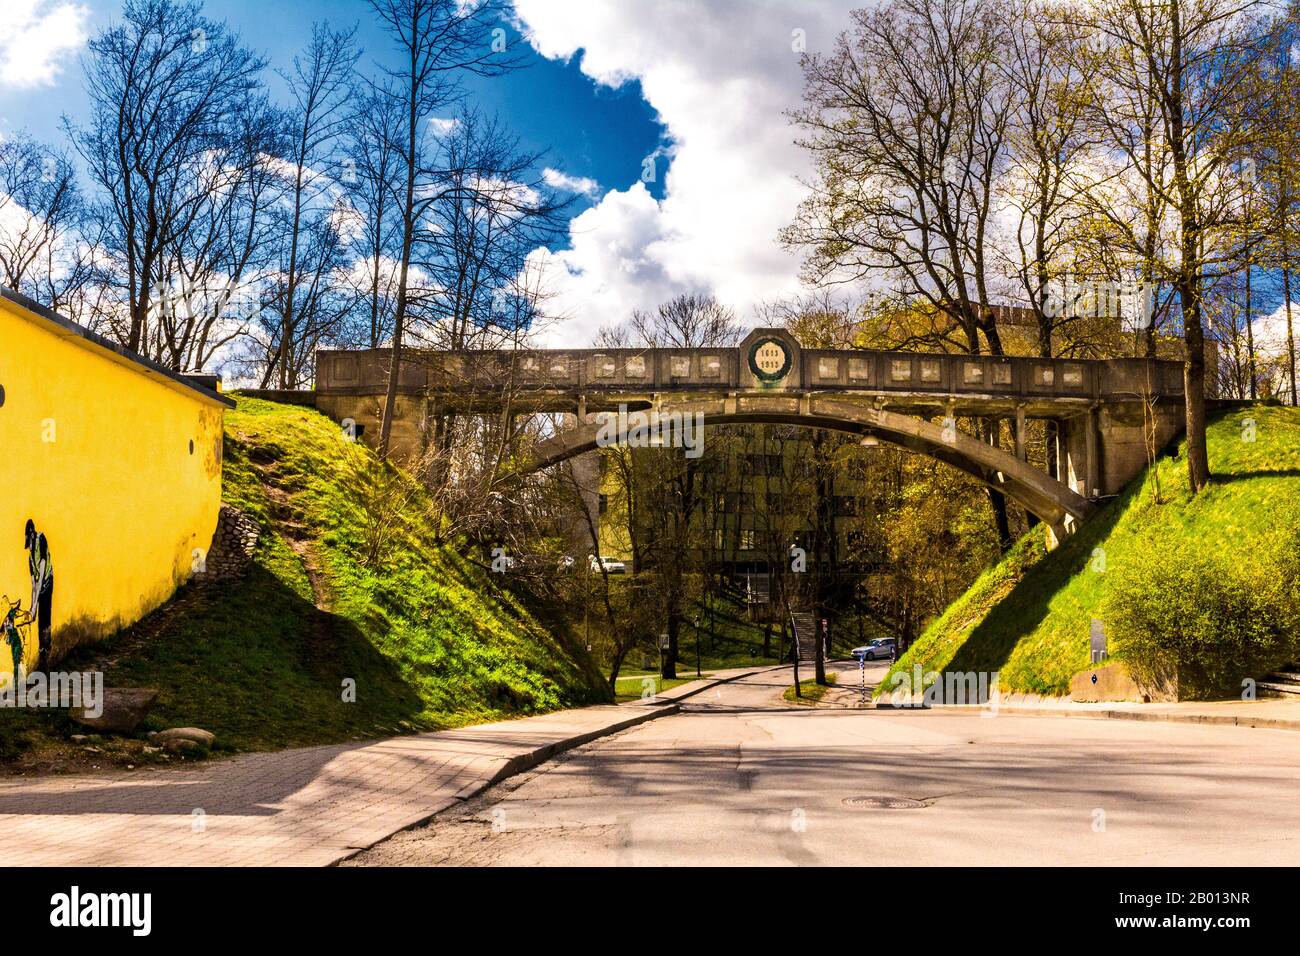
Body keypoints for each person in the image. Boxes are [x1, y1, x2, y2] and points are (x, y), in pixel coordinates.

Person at [24, 520, 52, 672]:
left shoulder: (41, 539)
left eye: (29, 541)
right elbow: (33, 585)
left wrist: (36, 605)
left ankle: (47, 653)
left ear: (32, 535)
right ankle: (42, 658)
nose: (28, 547)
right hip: (40, 583)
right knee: (37, 616)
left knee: (44, 617)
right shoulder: (30, 558)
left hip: (47, 580)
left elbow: (40, 577)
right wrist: (31, 606)